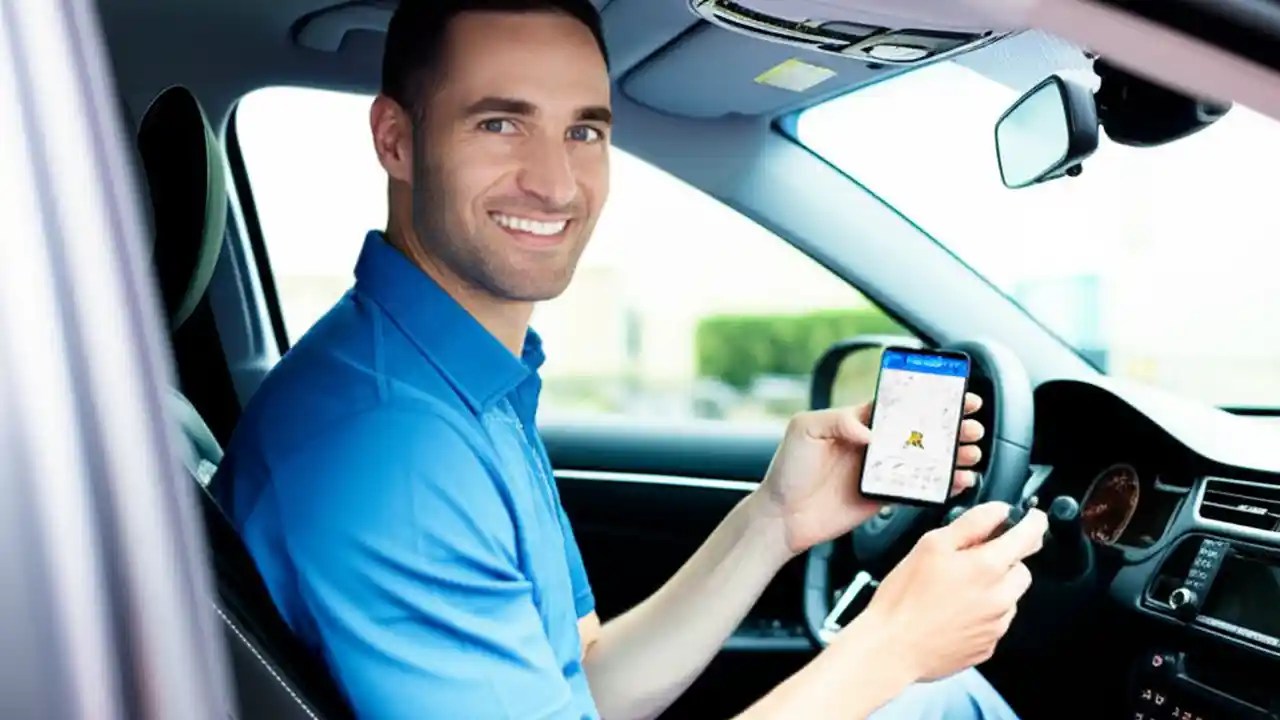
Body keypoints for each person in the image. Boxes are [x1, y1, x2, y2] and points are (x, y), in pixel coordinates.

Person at [212, 1, 1050, 717]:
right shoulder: (389, 447)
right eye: (500, 122)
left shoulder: (449, 378)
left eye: (583, 130)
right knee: (942, 698)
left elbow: (586, 684)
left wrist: (772, 522)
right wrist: (893, 643)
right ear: (395, 139)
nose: (556, 183)